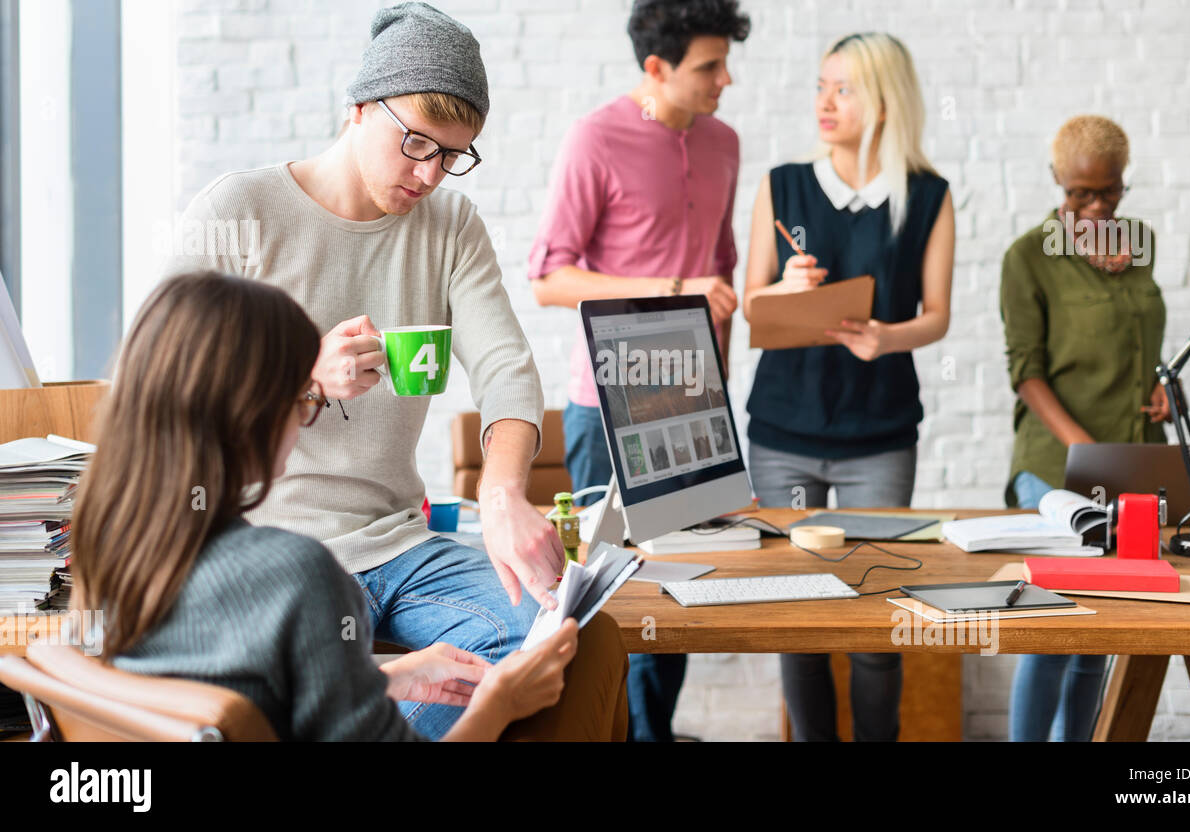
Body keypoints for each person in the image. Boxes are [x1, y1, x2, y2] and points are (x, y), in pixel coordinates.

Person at [161, 3, 564, 740]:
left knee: (544, 636)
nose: (429, 173)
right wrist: (303, 375)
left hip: (400, 540)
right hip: (274, 544)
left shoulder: (451, 226)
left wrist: (506, 494)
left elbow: (506, 367)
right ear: (355, 107)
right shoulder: (239, 211)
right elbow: (166, 389)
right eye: (415, 142)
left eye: (452, 155)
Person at [71, 274, 629, 741]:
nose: (303, 420)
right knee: (584, 648)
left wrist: (377, 677)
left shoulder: (104, 551)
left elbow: (235, 690)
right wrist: (500, 703)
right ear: (255, 415)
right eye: (304, 402)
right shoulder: (298, 575)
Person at [529, 0, 751, 742]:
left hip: (693, 408)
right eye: (708, 67)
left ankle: (652, 735)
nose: (725, 79)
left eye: (725, 61)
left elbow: (721, 269)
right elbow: (548, 278)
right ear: (655, 68)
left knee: (685, 590)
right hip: (606, 404)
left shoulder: (724, 143)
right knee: (607, 599)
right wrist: (671, 289)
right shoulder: (595, 137)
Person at [742, 32, 954, 742]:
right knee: (798, 617)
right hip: (783, 432)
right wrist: (781, 287)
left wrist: (885, 338)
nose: (825, 103)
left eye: (845, 89)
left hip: (879, 436)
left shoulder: (928, 196)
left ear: (886, 100)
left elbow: (937, 317)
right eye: (821, 86)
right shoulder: (783, 183)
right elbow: (749, 304)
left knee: (875, 617)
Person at [1000, 115, 1168, 741]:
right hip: (1055, 468)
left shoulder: (1142, 243)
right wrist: (1084, 447)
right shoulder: (1026, 258)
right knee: (1052, 629)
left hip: (1131, 464)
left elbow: (1143, 340)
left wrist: (1159, 387)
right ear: (1057, 183)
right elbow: (1026, 371)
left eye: (1110, 191)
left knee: (1095, 634)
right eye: (1080, 194)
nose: (1096, 206)